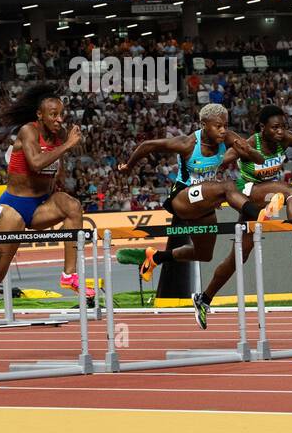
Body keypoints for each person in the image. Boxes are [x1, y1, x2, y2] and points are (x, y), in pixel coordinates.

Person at [116, 103, 277, 327]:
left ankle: (156, 257)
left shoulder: (229, 138)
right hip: (181, 199)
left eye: (225, 126)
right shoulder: (188, 143)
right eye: (218, 126)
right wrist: (128, 166)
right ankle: (258, 213)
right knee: (227, 186)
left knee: (203, 254)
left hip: (203, 203)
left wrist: (248, 151)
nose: (223, 130)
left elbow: (260, 161)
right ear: (204, 125)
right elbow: (148, 145)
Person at [0, 84, 88, 362]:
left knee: (72, 206)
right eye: (54, 115)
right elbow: (34, 163)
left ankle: (69, 274)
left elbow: (54, 172)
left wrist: (61, 168)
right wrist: (68, 144)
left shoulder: (57, 138)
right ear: (40, 115)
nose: (59, 119)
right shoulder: (28, 131)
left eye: (61, 114)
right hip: (15, 207)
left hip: (40, 205)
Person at [184, 105, 292, 329]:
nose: (280, 132)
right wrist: (213, 195)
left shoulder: (285, 139)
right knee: (291, 191)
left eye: (283, 127)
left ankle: (204, 298)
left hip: (266, 195)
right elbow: (217, 163)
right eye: (275, 128)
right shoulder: (249, 144)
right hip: (248, 192)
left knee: (238, 257)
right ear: (263, 128)